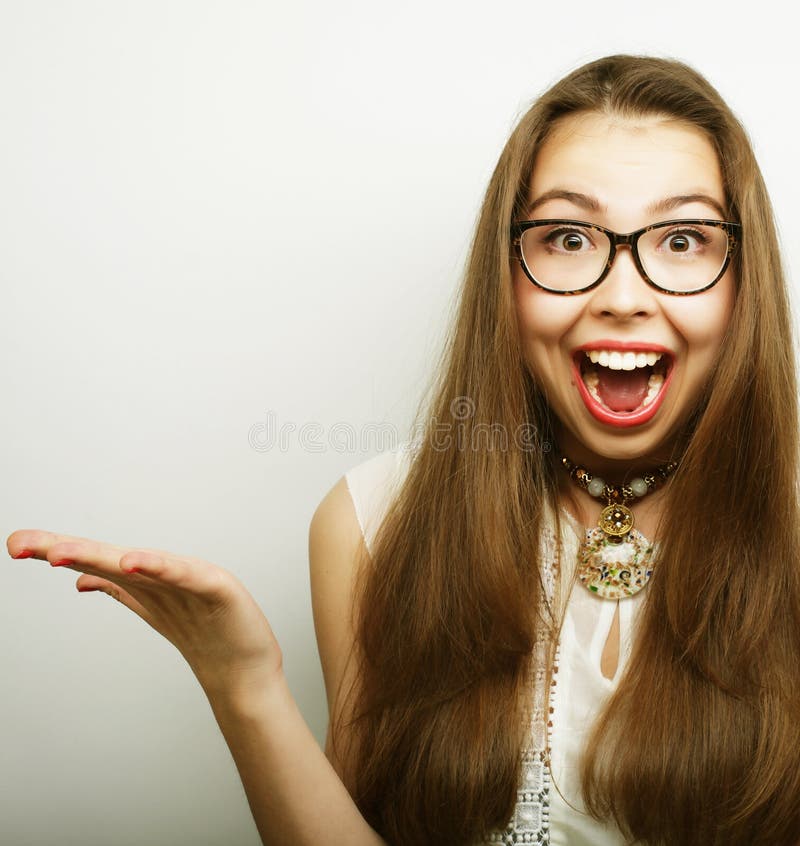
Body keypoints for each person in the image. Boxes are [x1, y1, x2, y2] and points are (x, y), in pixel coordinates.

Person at [7, 54, 800, 846]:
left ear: (744, 279)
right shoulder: (372, 522)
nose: (622, 296)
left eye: (684, 240)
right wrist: (243, 685)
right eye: (567, 236)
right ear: (507, 271)